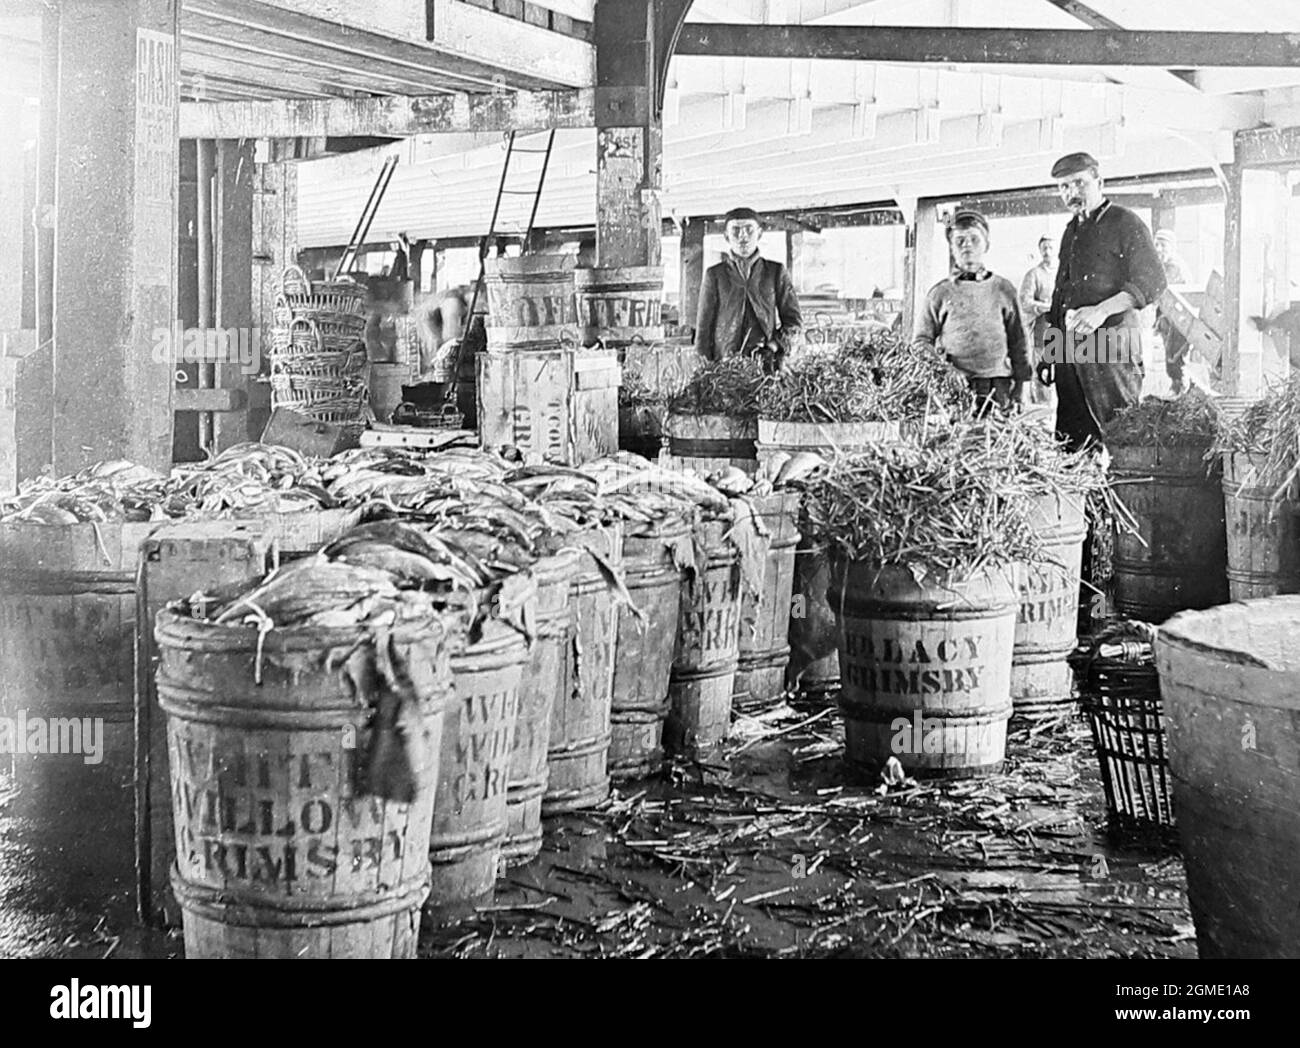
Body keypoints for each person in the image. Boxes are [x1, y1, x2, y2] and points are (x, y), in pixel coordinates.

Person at [1039, 152, 1167, 451]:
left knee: (1118, 435)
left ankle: (1119, 496)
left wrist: (1100, 311)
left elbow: (1153, 281)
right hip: (1071, 351)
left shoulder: (1125, 223)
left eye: (1079, 183)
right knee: (1072, 440)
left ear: (1100, 182)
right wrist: (1050, 353)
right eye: (1064, 187)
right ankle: (1083, 497)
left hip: (1111, 348)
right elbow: (1061, 296)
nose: (1071, 193)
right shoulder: (1071, 231)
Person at [913, 209, 1032, 415]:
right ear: (951, 248)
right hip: (955, 387)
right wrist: (945, 370)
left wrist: (1022, 386)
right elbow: (920, 342)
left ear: (987, 245)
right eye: (959, 241)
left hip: (999, 386)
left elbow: (1019, 341)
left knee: (996, 440)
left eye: (974, 239)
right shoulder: (939, 293)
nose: (967, 245)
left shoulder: (1004, 289)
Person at [694, 207, 802, 373]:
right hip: (725, 367)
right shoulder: (715, 274)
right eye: (736, 230)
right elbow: (703, 331)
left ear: (759, 234)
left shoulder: (775, 271)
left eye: (749, 230)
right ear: (726, 236)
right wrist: (704, 371)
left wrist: (774, 345)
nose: (742, 236)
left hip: (766, 365)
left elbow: (794, 323)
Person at [1019, 236, 1058, 407]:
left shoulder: (1063, 272)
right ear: (1040, 251)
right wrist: (1047, 306)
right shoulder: (1034, 274)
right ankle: (1042, 408)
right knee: (1042, 368)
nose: (1047, 252)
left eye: (1050, 247)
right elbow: (1025, 301)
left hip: (1064, 329)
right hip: (1043, 328)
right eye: (1044, 248)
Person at [1153, 229, 1194, 390]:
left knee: (1175, 354)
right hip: (1170, 318)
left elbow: (1161, 289)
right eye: (1156, 245)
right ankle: (1177, 386)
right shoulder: (1163, 265)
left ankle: (1179, 386)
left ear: (1172, 247)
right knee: (1171, 353)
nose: (1158, 249)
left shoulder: (1174, 266)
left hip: (1179, 319)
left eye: (1163, 245)